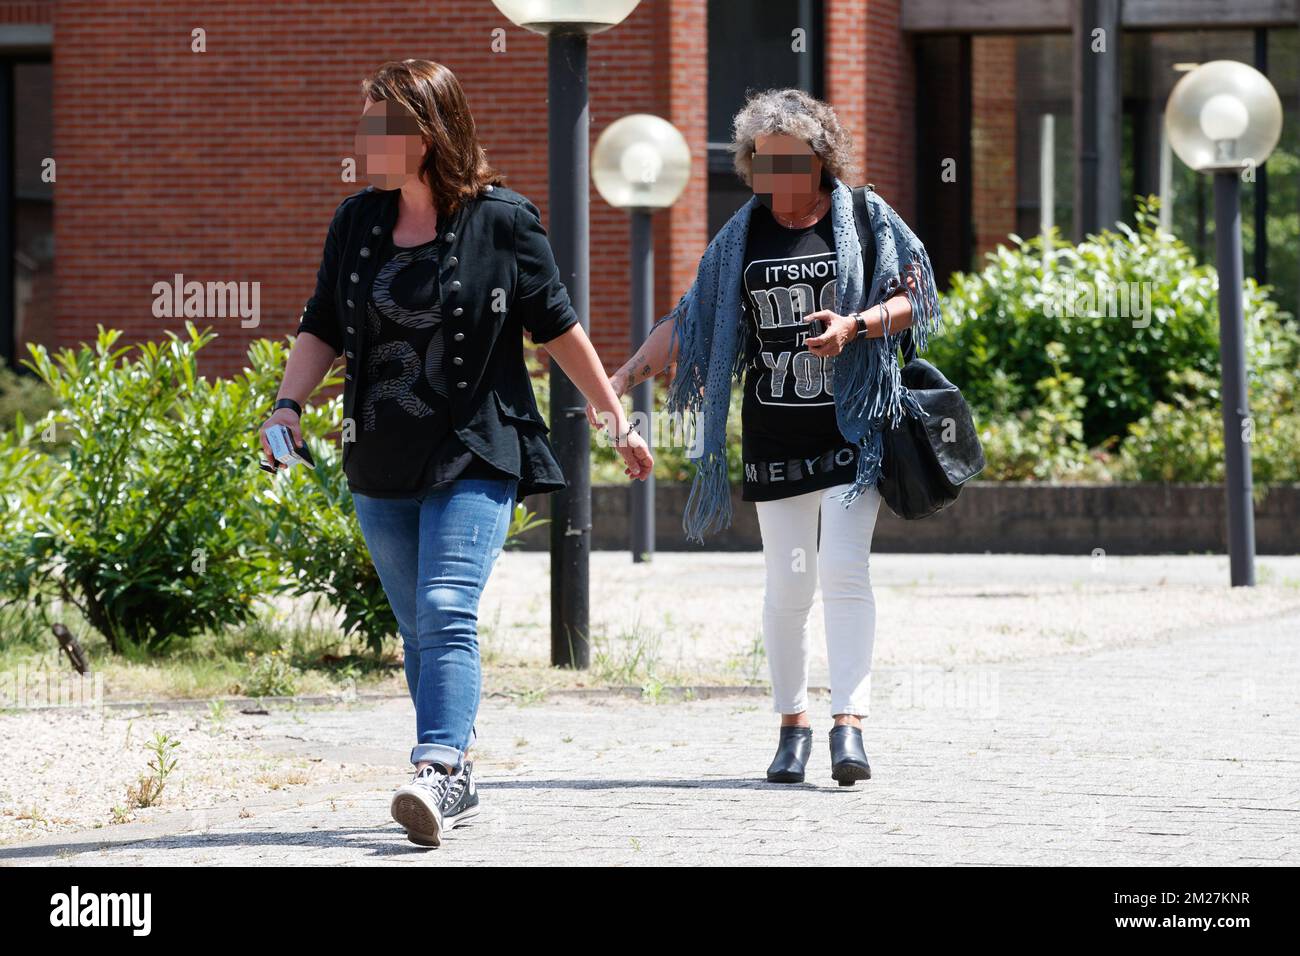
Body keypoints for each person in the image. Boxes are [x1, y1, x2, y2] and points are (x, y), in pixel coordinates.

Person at [260, 59, 651, 846]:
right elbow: (322, 324)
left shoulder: (503, 221)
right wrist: (287, 405)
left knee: (445, 607)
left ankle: (438, 767)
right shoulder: (357, 222)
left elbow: (556, 326)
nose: (364, 139)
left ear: (427, 132)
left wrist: (617, 418)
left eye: (380, 124)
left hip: (479, 443)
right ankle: (453, 770)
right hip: (380, 453)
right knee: (421, 627)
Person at [596, 88, 941, 786]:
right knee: (789, 588)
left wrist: (857, 325)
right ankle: (792, 725)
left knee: (845, 571)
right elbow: (692, 322)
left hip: (853, 427)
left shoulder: (866, 217)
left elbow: (919, 296)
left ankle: (850, 724)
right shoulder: (739, 240)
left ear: (821, 159)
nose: (776, 173)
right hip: (775, 434)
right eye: (763, 160)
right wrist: (625, 374)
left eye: (792, 159)